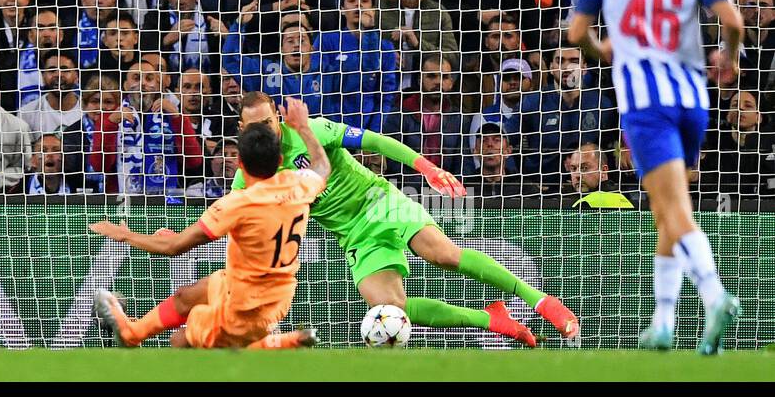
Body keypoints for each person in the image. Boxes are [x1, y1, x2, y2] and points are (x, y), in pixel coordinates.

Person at [226, 91, 580, 344]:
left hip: (378, 200)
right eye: (257, 126)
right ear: (242, 130)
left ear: (278, 116)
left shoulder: (311, 131)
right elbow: (229, 220)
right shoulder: (249, 173)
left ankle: (543, 302)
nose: (266, 131)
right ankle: (493, 319)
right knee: (390, 306)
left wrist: (424, 166)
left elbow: (375, 142)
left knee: (441, 253)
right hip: (353, 235)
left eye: (270, 122)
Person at [568, 0, 745, 353]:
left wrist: (602, 48)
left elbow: (575, 31)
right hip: (694, 100)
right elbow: (732, 21)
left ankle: (715, 295)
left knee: (675, 209)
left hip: (647, 104)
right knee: (663, 208)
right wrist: (727, 57)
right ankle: (663, 321)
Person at [91, 97, 330, 349]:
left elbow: (173, 248)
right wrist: (302, 127)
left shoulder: (237, 204)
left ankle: (277, 343)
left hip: (245, 311)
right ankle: (132, 332)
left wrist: (124, 234)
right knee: (186, 297)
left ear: (240, 163)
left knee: (180, 341)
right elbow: (322, 167)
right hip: (270, 292)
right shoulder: (299, 183)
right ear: (280, 160)